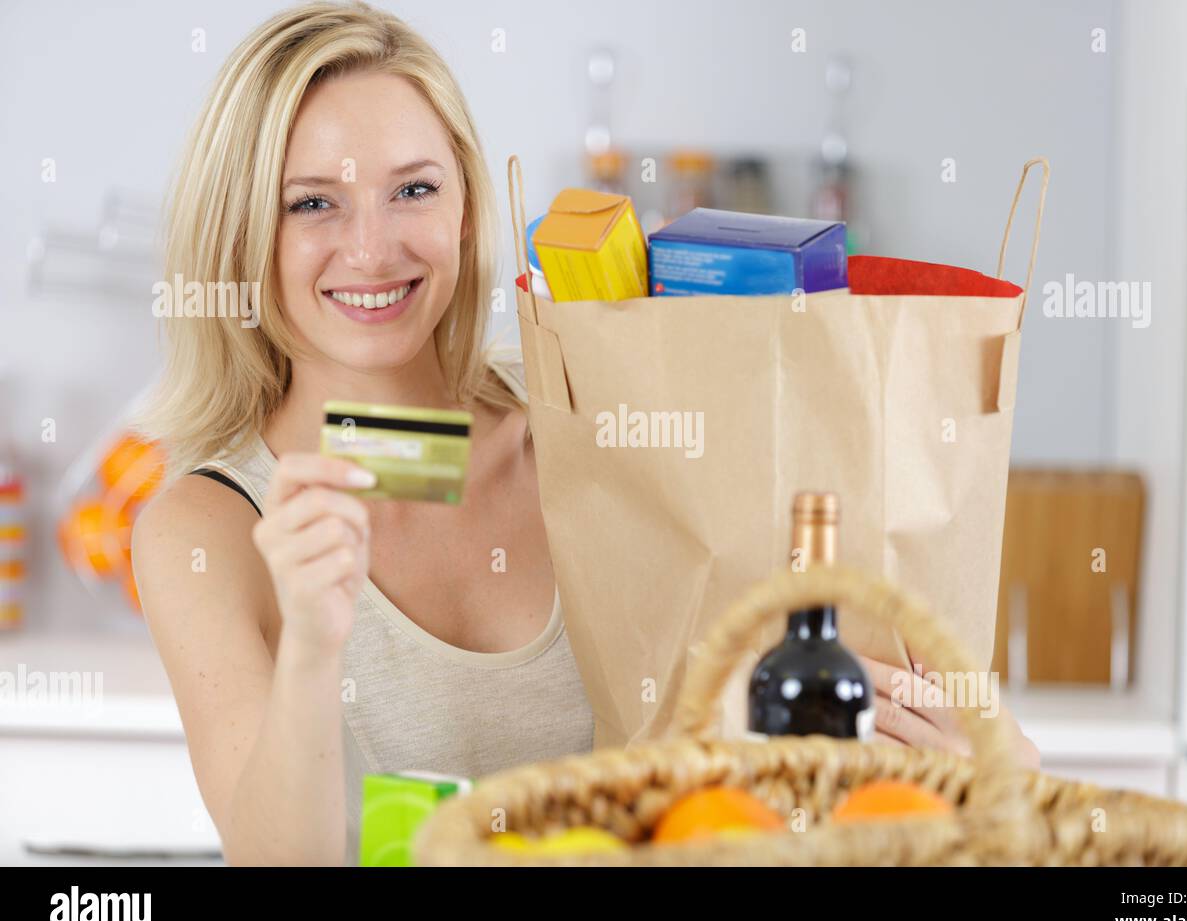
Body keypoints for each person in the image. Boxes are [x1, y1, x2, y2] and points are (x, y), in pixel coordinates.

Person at [132, 1, 1037, 867]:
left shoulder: (592, 406)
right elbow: (276, 859)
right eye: (313, 204)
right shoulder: (204, 531)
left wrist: (983, 766)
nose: (372, 249)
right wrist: (313, 644)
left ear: (465, 211)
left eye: (413, 189)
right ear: (243, 232)